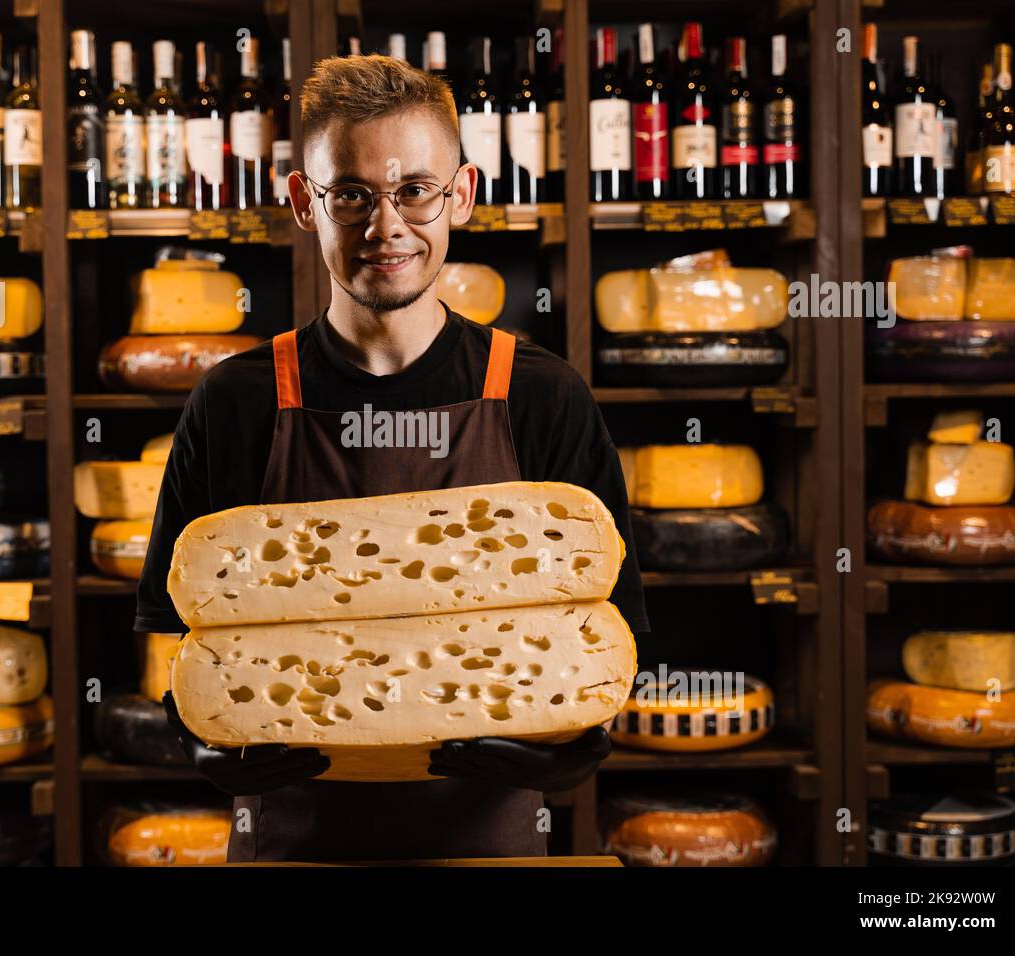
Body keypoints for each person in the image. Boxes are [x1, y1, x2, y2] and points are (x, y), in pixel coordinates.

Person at [135, 53, 649, 862]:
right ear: (306, 202)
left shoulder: (543, 396)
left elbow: (608, 640)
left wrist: (578, 744)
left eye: (415, 190)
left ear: (463, 196)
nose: (387, 227)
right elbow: (173, 641)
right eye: (352, 195)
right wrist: (198, 740)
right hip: (291, 851)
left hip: (491, 850)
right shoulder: (235, 400)